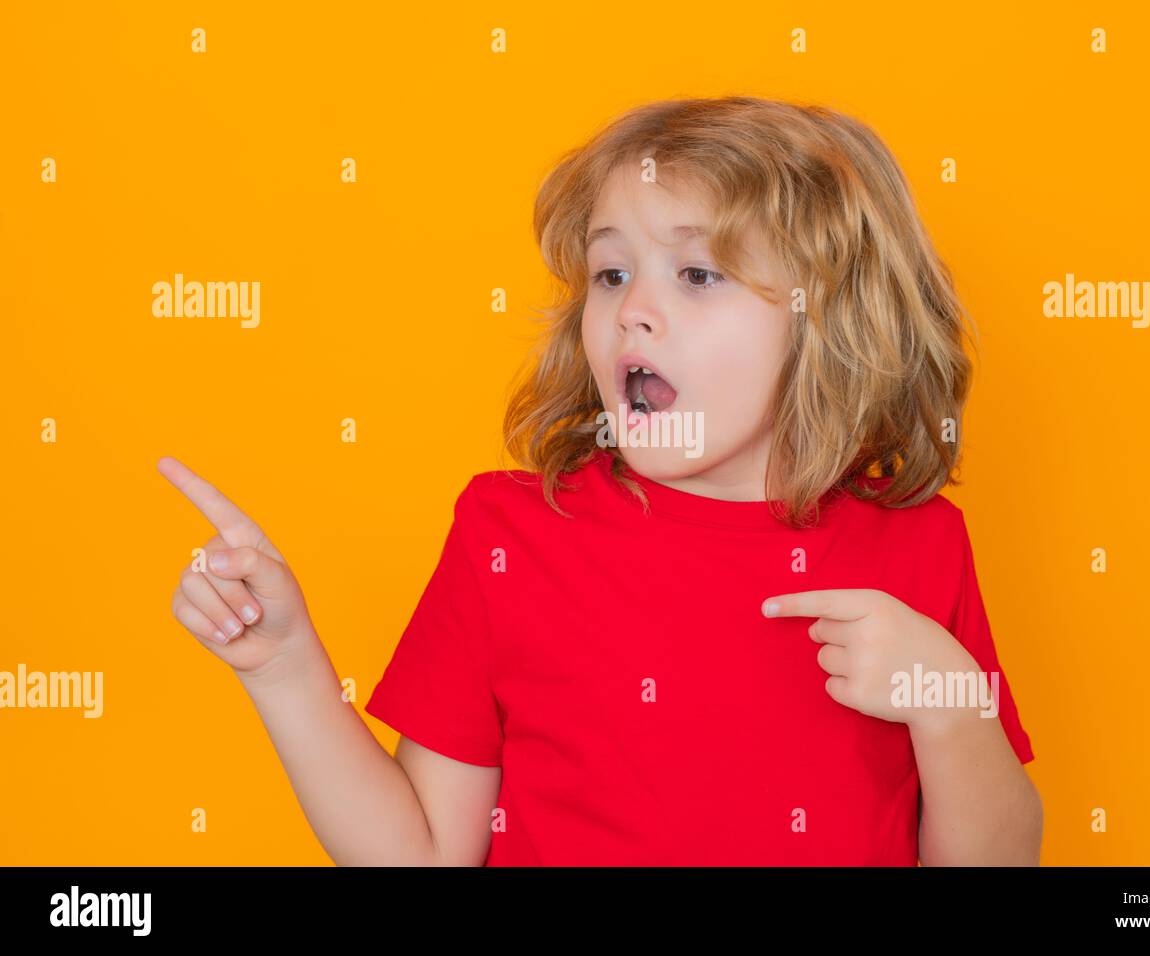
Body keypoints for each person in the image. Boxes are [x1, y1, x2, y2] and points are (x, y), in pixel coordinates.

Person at [159, 96, 1042, 866]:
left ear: (837, 324)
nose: (633, 310)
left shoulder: (919, 544)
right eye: (611, 273)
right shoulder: (509, 535)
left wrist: (954, 707)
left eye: (697, 274)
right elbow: (422, 852)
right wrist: (284, 668)